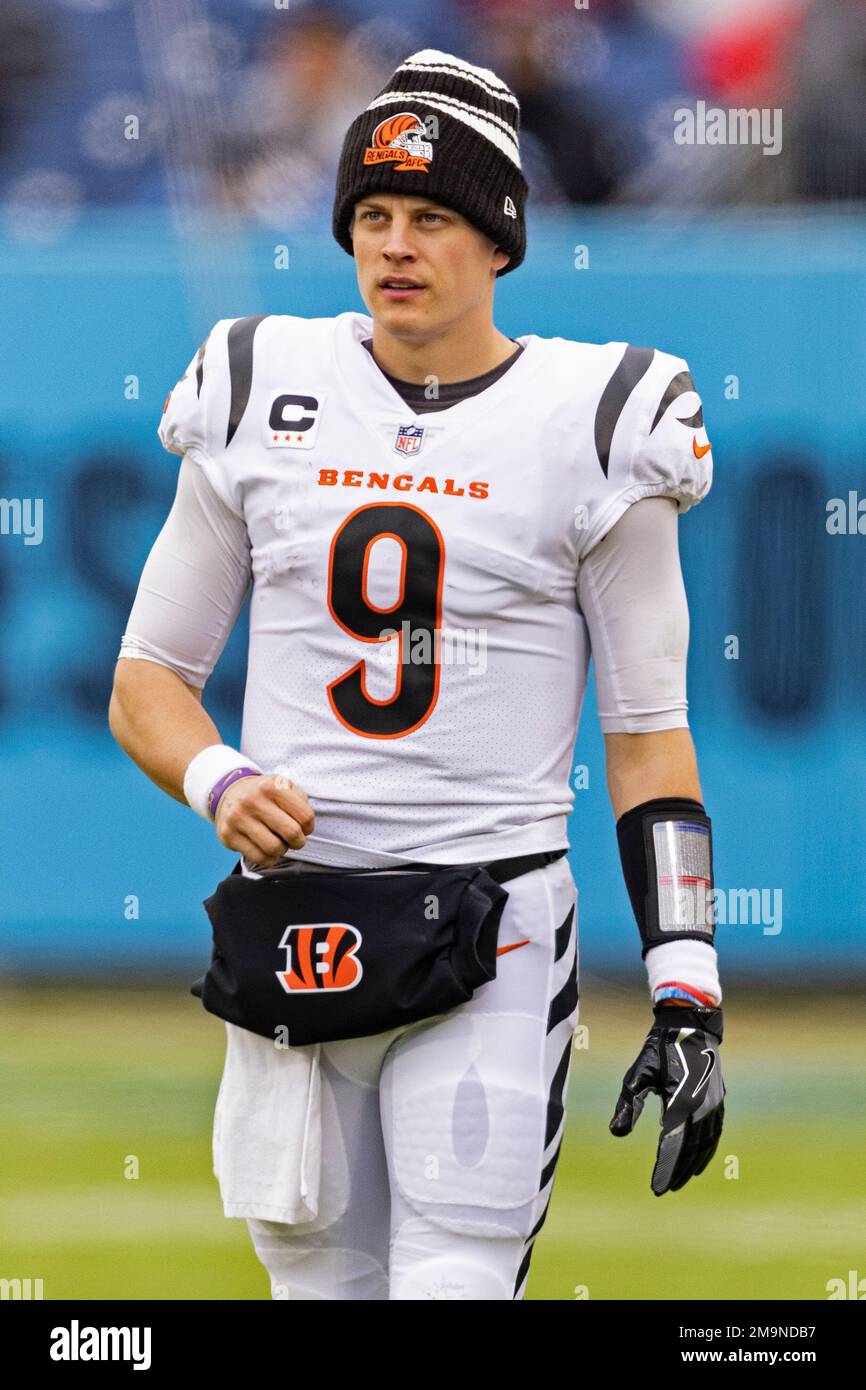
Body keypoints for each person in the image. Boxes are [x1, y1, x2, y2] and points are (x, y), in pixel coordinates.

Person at [109, 49, 724, 1302]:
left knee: (454, 1276)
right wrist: (219, 779)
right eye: (374, 214)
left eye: (432, 217)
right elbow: (148, 678)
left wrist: (685, 983)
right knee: (315, 1287)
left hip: (488, 924)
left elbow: (648, 737)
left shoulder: (595, 416)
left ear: (497, 240)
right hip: (295, 922)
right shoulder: (259, 380)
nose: (395, 245)